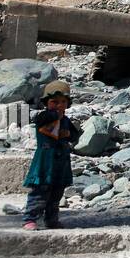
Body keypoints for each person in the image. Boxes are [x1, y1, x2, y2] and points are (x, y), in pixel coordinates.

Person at [21, 80, 80, 230]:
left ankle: (51, 219)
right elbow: (40, 120)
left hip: (60, 163)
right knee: (40, 193)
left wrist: (68, 133)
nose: (59, 105)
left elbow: (74, 135)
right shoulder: (44, 117)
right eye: (54, 102)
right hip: (45, 162)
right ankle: (30, 219)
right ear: (47, 103)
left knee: (56, 194)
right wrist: (55, 115)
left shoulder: (66, 120)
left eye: (63, 102)